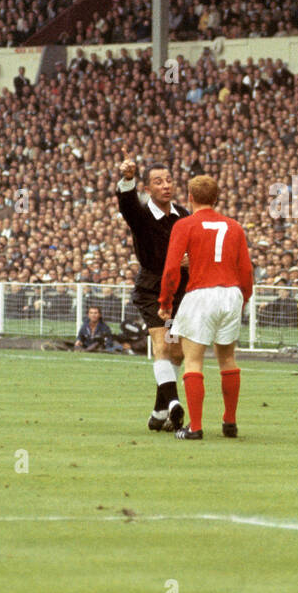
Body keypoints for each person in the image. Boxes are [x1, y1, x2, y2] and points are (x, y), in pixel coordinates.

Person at [158, 175, 253, 440]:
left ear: (190, 197)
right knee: (227, 358)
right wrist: (243, 298)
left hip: (201, 293)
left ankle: (196, 427)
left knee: (193, 360)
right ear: (217, 198)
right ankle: (229, 422)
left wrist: (165, 302)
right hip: (231, 293)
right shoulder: (234, 227)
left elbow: (171, 269)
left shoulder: (184, 224)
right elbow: (246, 270)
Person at [117, 159, 189, 432]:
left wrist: (189, 261)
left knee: (176, 352)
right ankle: (173, 404)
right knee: (160, 344)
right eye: (158, 181)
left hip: (178, 292)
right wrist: (127, 179)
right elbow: (126, 204)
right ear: (146, 187)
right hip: (152, 291)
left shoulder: (183, 215)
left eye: (169, 179)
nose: (166, 185)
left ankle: (159, 412)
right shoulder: (141, 214)